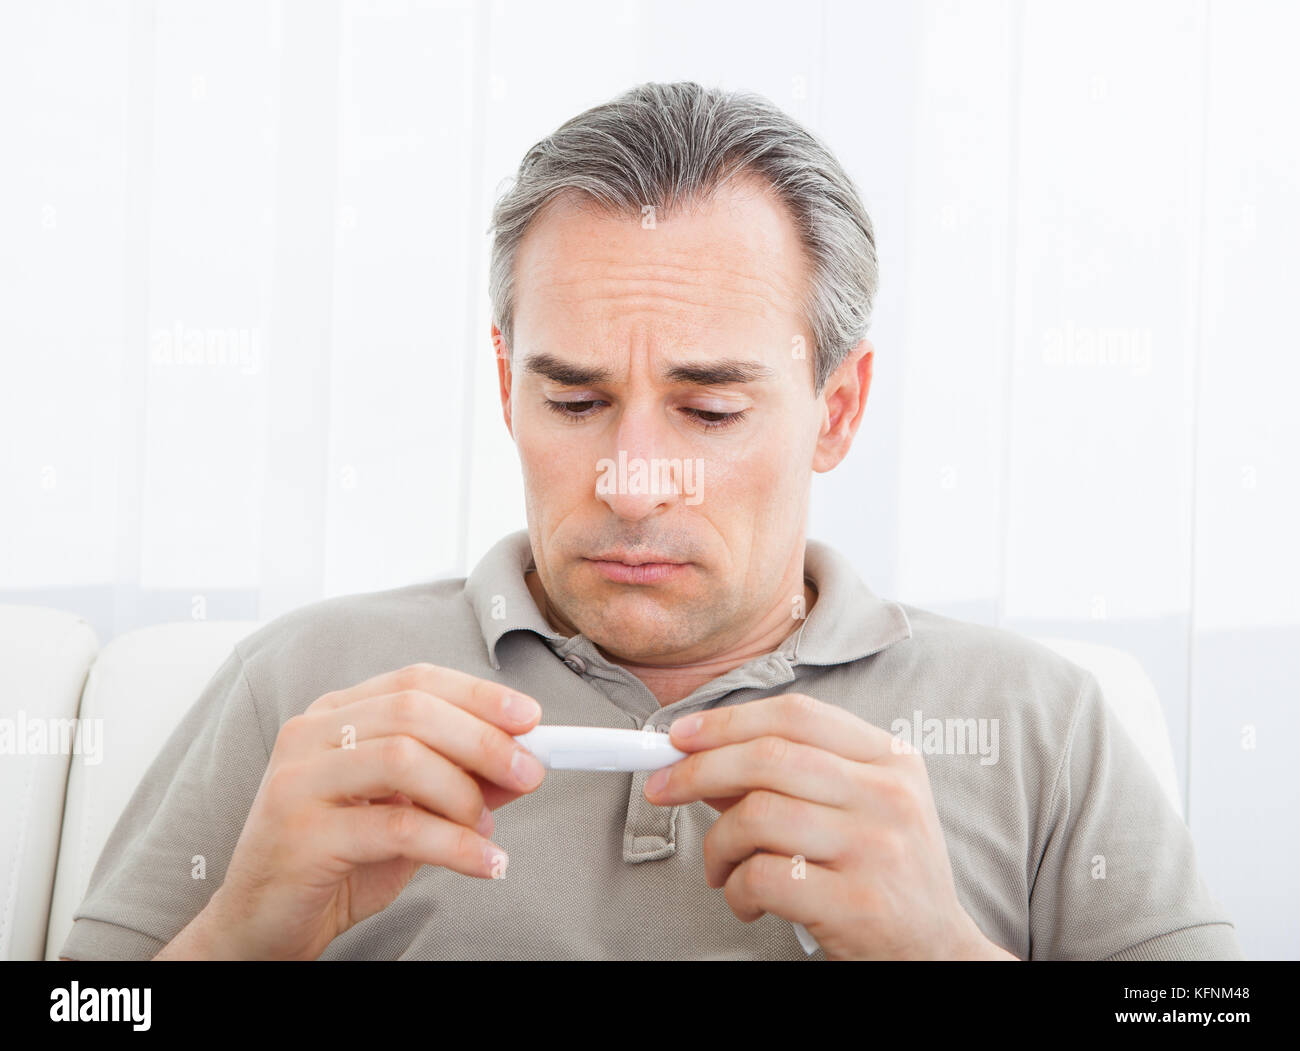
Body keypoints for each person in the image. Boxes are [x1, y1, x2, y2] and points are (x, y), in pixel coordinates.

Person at [61, 81, 1239, 961]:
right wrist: (235, 934)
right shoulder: (307, 685)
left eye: (709, 407)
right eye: (573, 399)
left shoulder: (1040, 720)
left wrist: (945, 948)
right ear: (504, 385)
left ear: (837, 409)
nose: (633, 481)